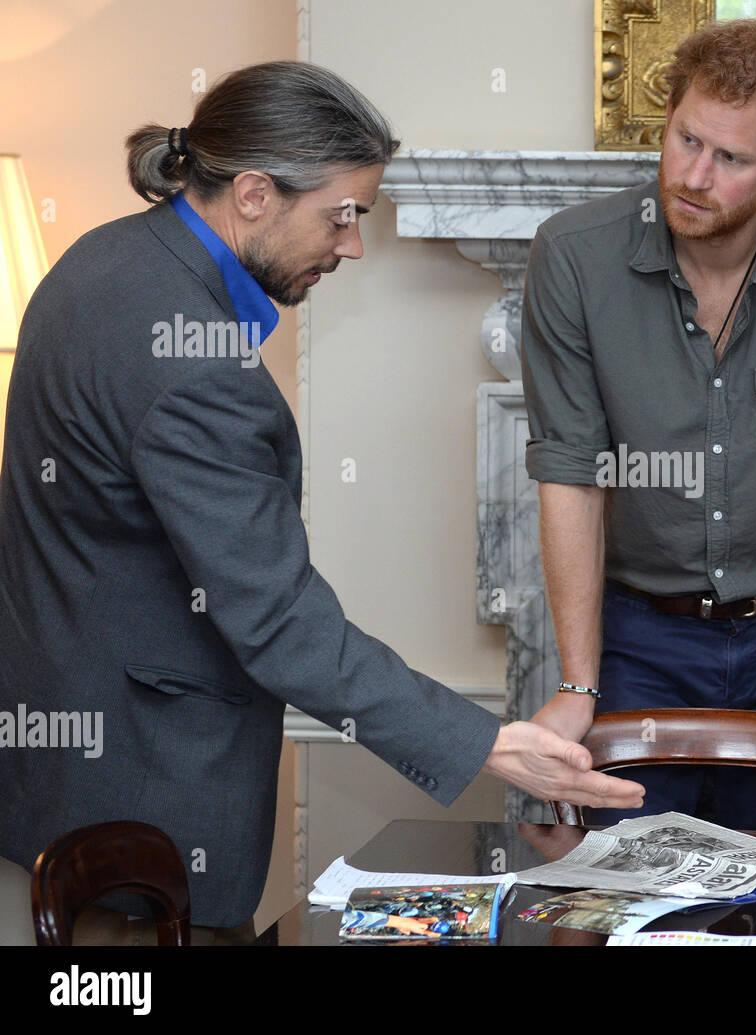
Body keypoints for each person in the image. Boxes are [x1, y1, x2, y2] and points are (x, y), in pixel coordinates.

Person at [0, 60, 642, 942]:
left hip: (65, 778)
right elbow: (276, 620)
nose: (351, 245)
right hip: (145, 814)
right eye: (341, 215)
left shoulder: (105, 260)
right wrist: (487, 742)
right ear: (256, 193)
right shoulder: (190, 367)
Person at [521, 20, 756, 831]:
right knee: (625, 901)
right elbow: (571, 475)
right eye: (685, 139)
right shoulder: (574, 256)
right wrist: (579, 684)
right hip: (634, 641)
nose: (693, 176)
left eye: (730, 159)